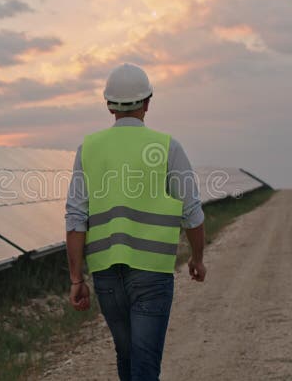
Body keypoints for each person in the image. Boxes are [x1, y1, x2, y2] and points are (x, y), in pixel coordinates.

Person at [65, 63, 207, 381]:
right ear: (148, 102)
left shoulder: (87, 149)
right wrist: (197, 258)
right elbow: (192, 212)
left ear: (108, 105)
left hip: (105, 275)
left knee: (127, 358)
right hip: (152, 273)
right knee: (144, 365)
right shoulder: (168, 147)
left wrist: (76, 278)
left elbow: (76, 218)